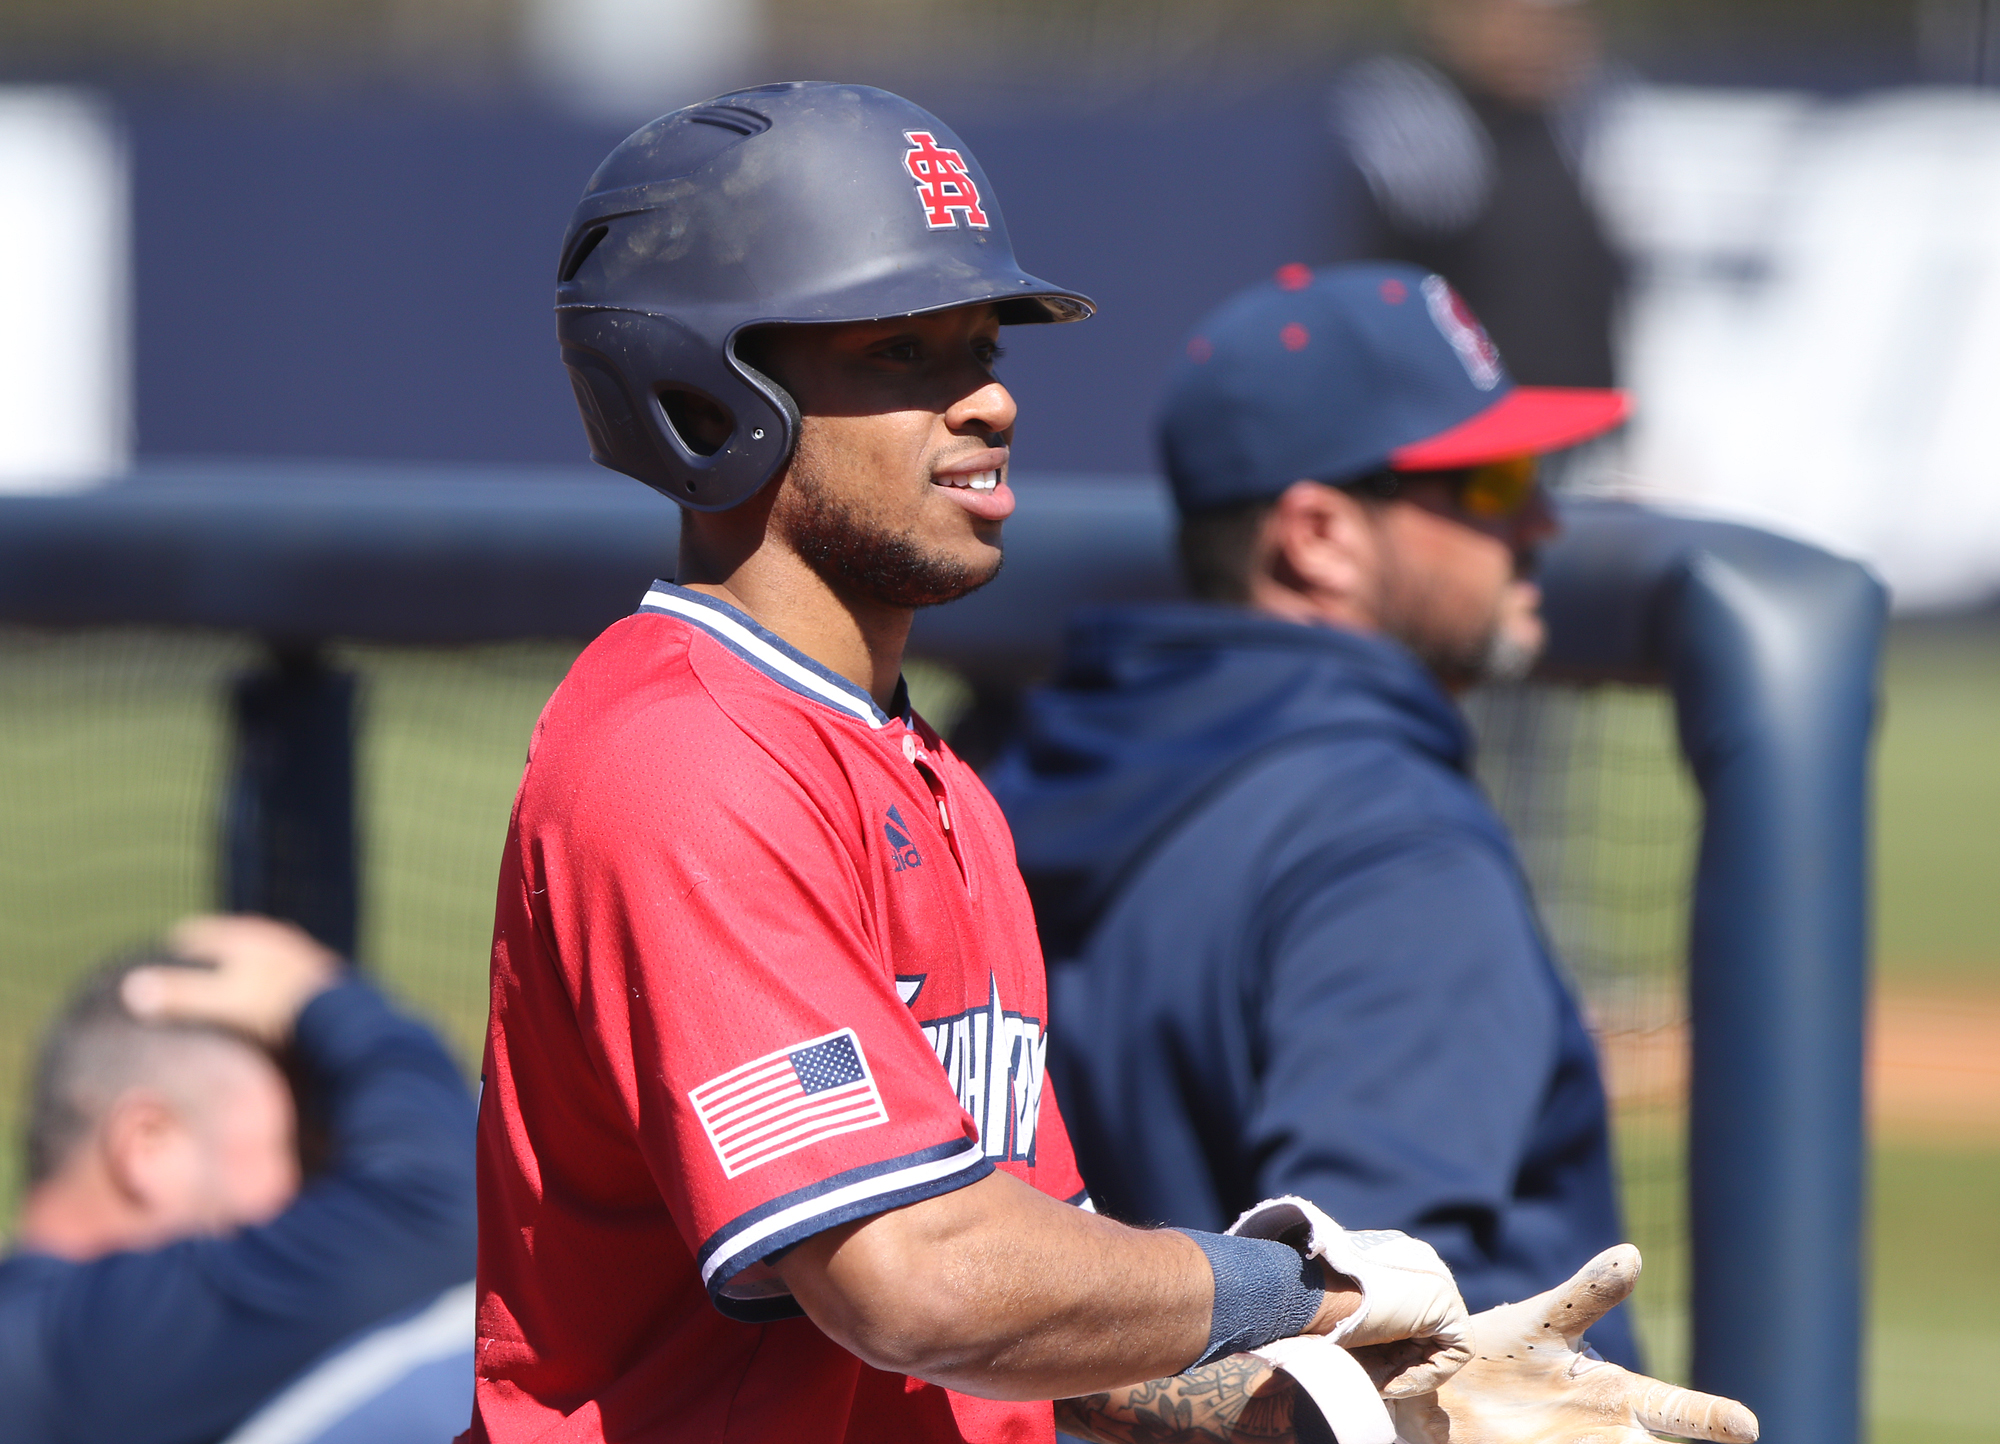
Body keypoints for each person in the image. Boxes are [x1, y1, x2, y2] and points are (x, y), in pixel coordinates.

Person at [468, 82, 1753, 1444]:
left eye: (984, 350)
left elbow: (1049, 1324)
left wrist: (1388, 1407)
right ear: (707, 395)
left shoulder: (933, 779)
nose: (989, 404)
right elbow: (915, 1283)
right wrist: (1317, 1291)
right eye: (907, 356)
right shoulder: (689, 762)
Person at [987, 260, 1643, 1367]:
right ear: (1319, 534)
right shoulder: (1391, 843)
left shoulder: (1010, 768)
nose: (1538, 520)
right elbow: (1371, 1327)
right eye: (1486, 485)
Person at [0, 913, 478, 1444]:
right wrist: (323, 994)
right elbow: (434, 1208)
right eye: (296, 1150)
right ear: (148, 1146)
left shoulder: (44, 1344)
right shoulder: (86, 1355)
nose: (318, 1194)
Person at [1329, 0, 1627, 390]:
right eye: (1513, 17)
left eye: (1556, 20)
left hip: (1573, 408)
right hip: (1470, 415)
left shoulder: (1582, 126)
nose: (1534, 38)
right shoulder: (1416, 125)